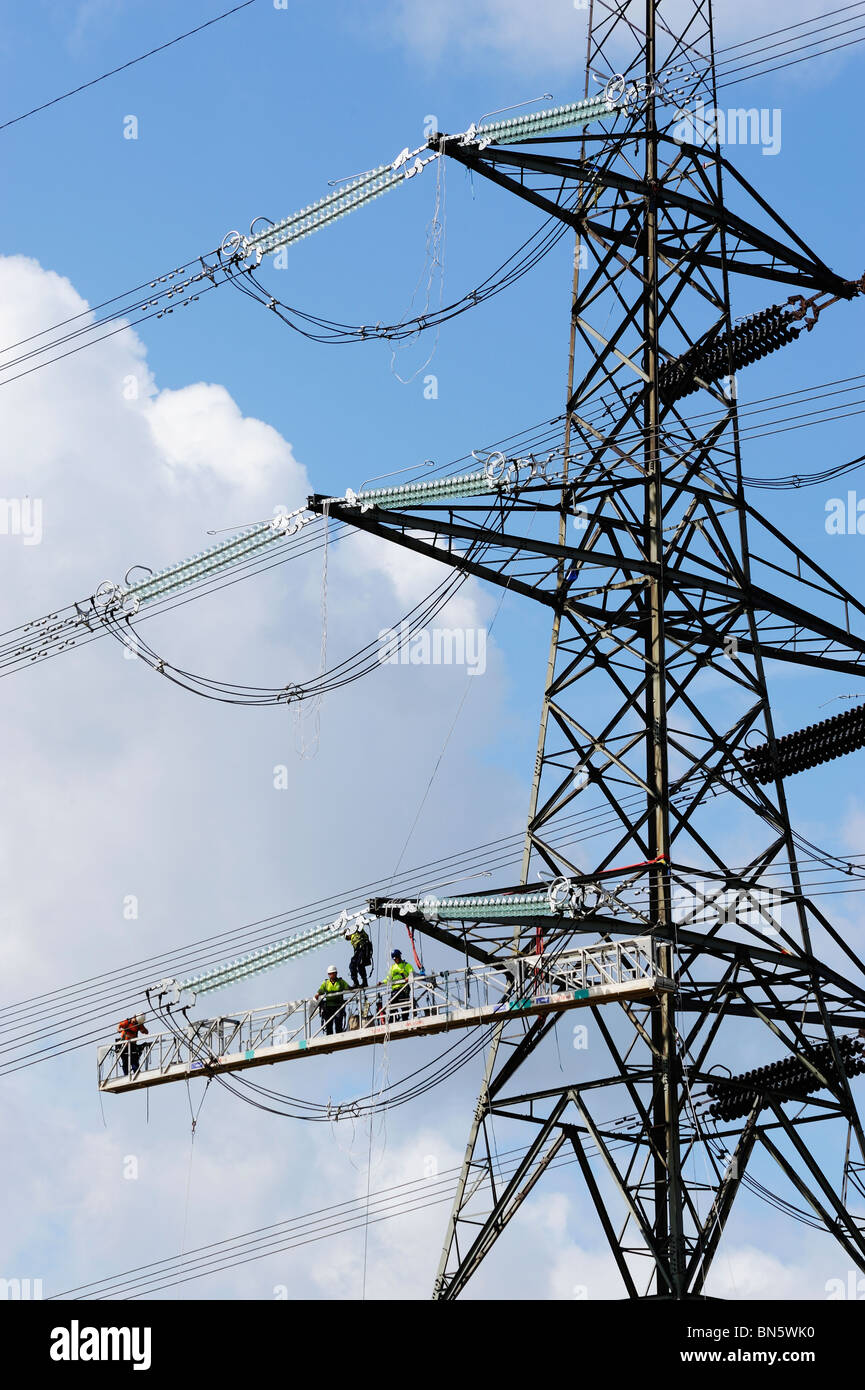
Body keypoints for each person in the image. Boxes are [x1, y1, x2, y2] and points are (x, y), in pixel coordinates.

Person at [315, 966, 351, 1036]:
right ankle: (329, 1036)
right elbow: (321, 990)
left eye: (333, 973)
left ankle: (339, 1036)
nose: (331, 975)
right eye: (330, 974)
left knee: (338, 1023)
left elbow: (348, 988)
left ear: (336, 973)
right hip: (329, 1007)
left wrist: (354, 988)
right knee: (329, 1024)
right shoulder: (326, 983)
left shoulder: (340, 982)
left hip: (338, 1006)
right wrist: (317, 994)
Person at [382, 949, 415, 1023]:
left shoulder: (406, 965)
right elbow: (388, 979)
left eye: (396, 958)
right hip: (395, 990)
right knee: (392, 1006)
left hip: (403, 989)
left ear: (399, 957)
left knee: (405, 1006)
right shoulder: (393, 967)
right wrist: (382, 982)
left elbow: (412, 973)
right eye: (394, 959)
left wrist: (408, 977)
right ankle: (391, 1021)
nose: (395, 960)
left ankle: (405, 1020)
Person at [345, 919, 373, 990]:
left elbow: (359, 926)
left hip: (363, 947)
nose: (349, 938)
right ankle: (355, 982)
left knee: (360, 964)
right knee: (352, 965)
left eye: (347, 937)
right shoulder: (353, 939)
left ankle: (364, 982)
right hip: (358, 950)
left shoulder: (357, 931)